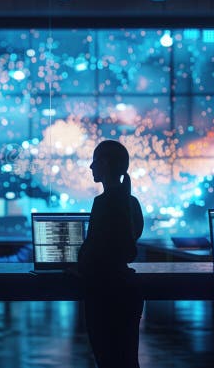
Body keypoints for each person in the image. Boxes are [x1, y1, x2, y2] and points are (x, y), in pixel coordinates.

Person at [78, 139, 145, 368]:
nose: (91, 167)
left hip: (104, 295)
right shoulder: (131, 202)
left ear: (105, 163)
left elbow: (95, 252)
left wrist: (78, 267)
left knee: (107, 360)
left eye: (95, 161)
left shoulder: (103, 203)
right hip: (128, 292)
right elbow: (123, 244)